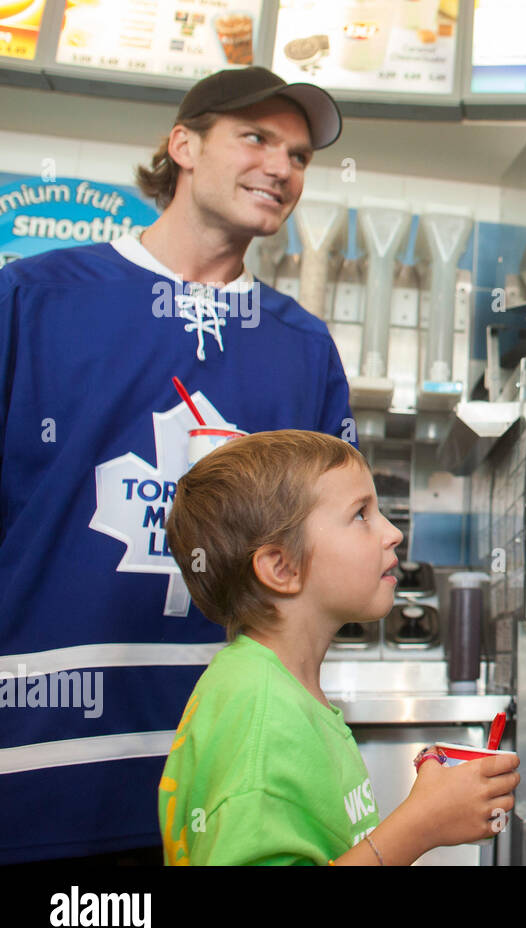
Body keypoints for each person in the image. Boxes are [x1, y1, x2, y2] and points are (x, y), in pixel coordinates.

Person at [0, 68, 354, 863]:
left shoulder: (302, 346)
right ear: (183, 145)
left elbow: (329, 555)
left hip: (233, 772)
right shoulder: (32, 301)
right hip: (42, 770)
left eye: (298, 155)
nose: (282, 167)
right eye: (256, 138)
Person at [159, 431, 519, 865]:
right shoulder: (262, 718)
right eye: (361, 515)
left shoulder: (276, 689)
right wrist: (421, 825)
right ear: (282, 567)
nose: (393, 534)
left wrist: (434, 804)